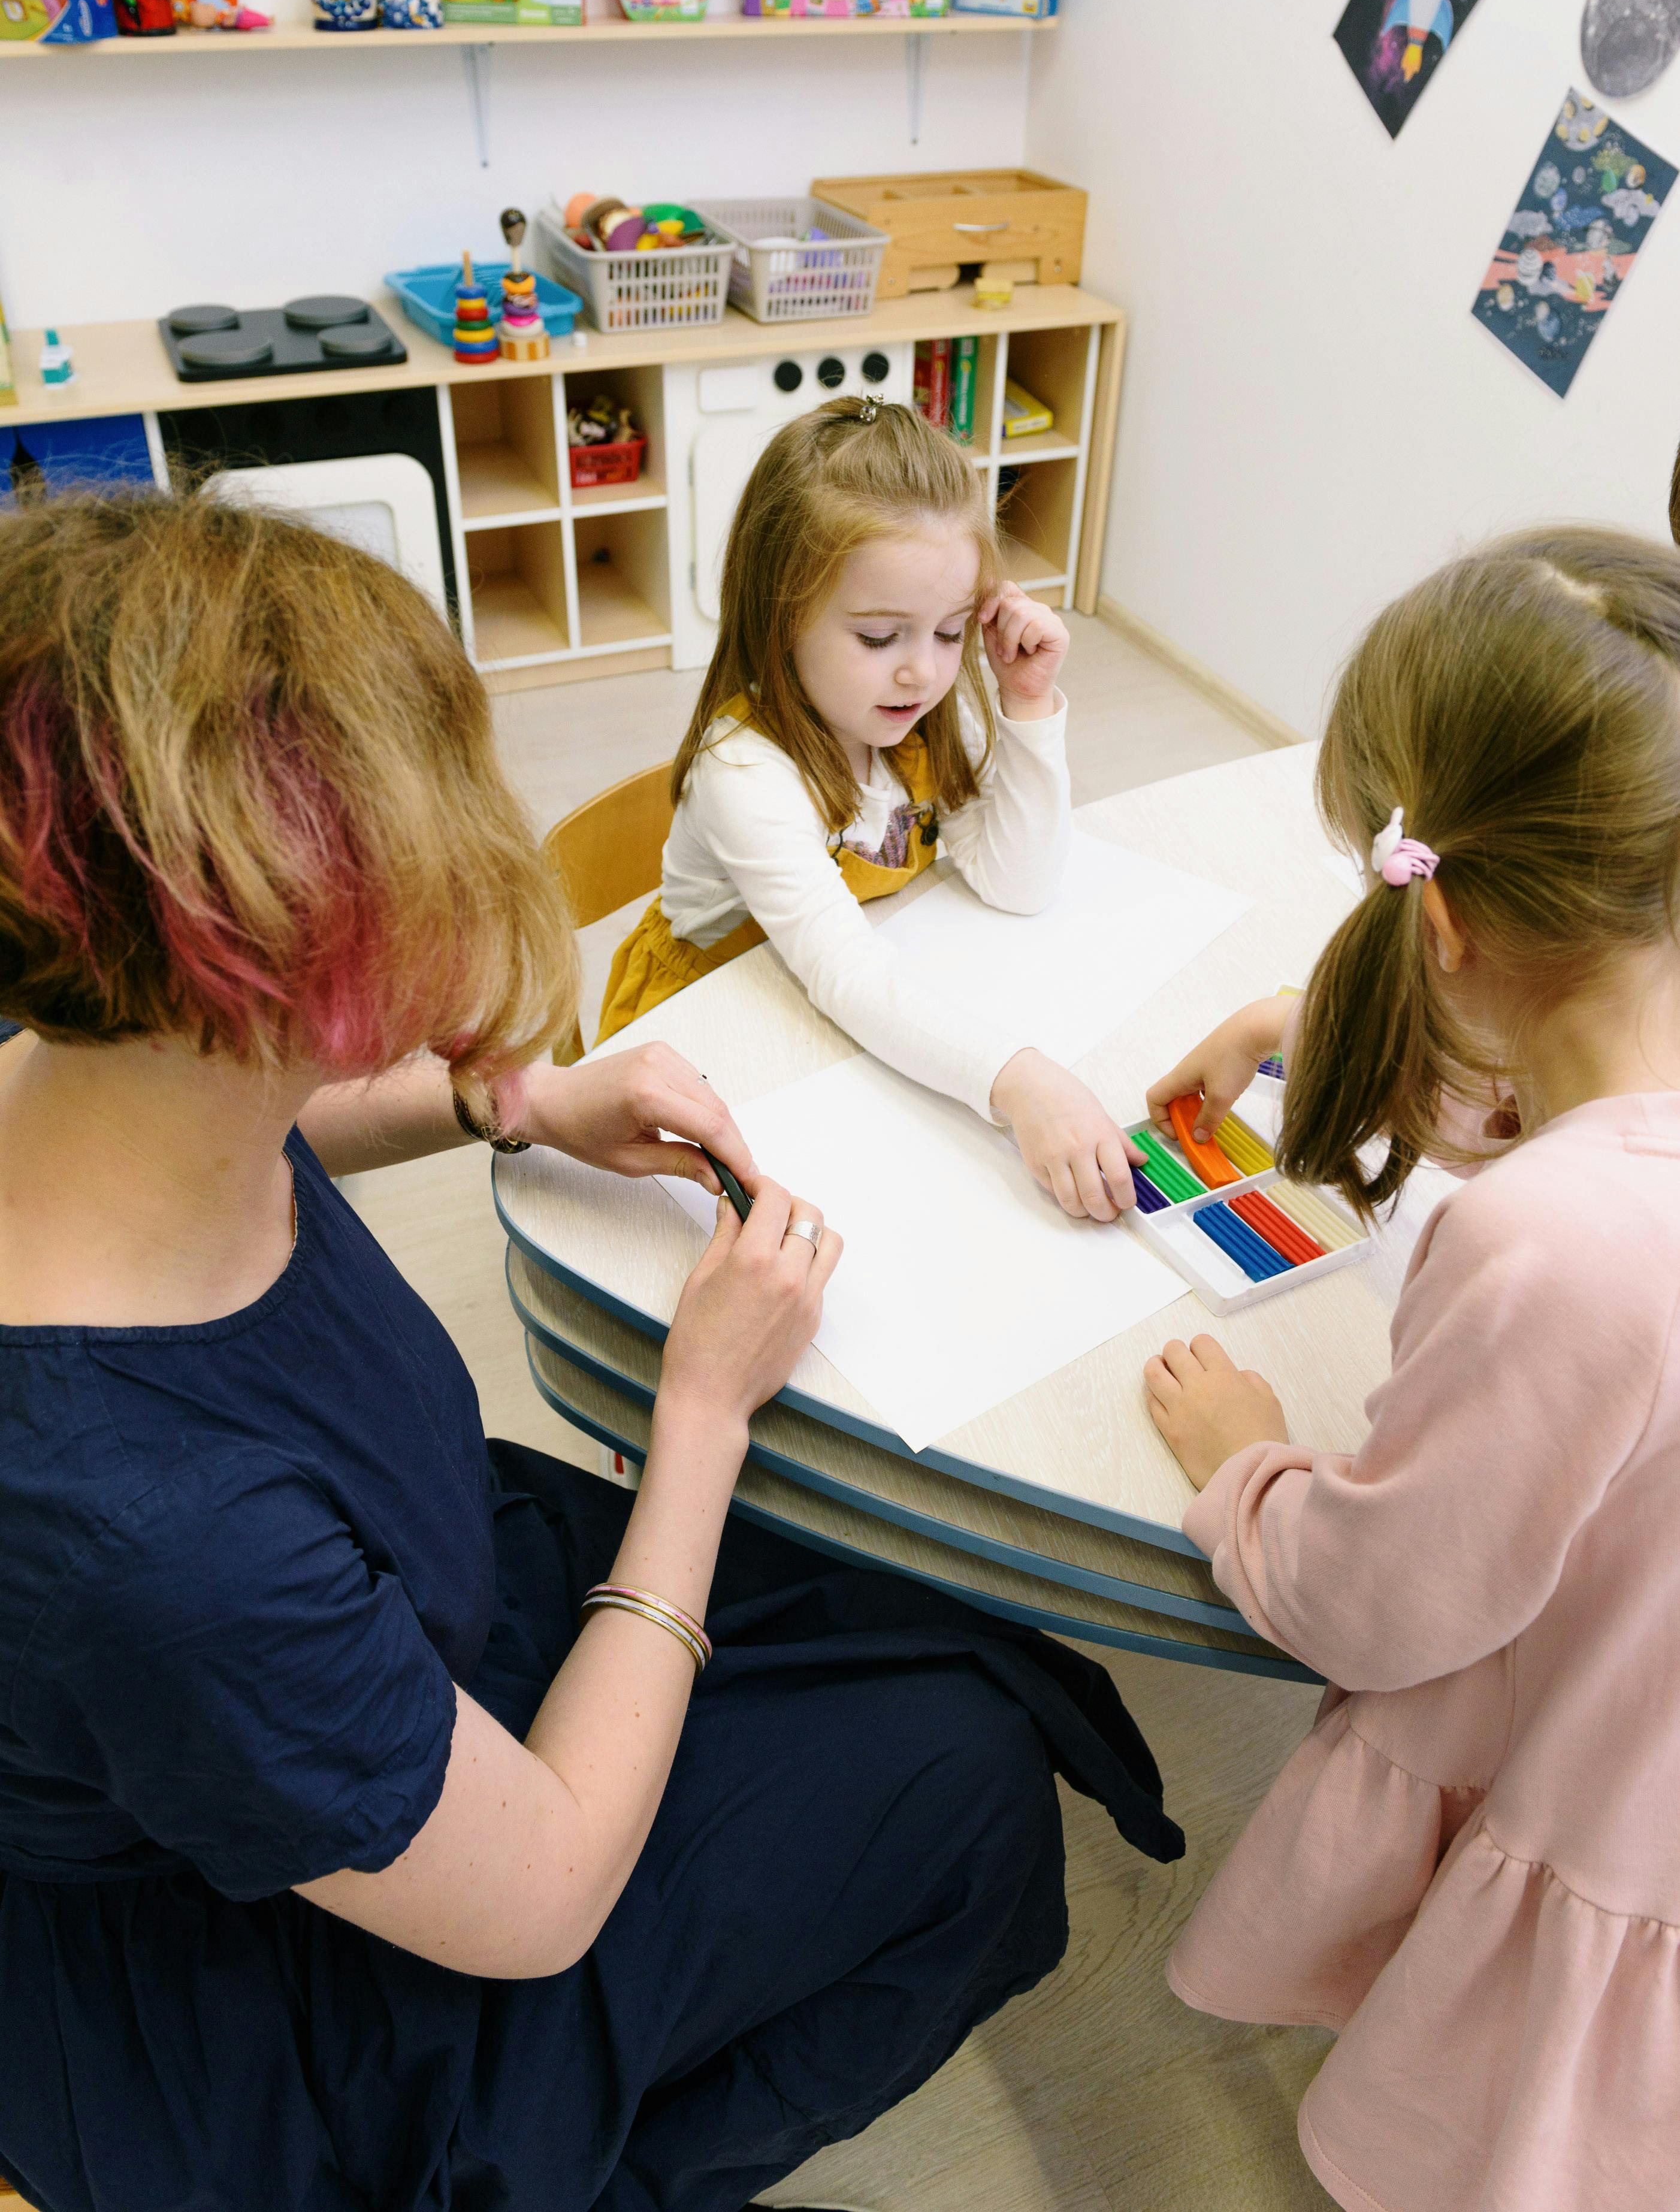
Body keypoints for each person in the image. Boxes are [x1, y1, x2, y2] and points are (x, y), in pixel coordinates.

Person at [0, 485, 1183, 2212]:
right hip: (270, 1982)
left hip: (379, 1613)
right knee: (966, 1788)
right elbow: (539, 1893)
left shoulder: (94, 1081)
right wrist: (700, 1412)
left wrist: (514, 1098)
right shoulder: (158, 1542)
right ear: (293, 969)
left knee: (913, 1600)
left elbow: (261, 1121)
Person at [1138, 526, 1680, 2212]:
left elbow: (1382, 1606)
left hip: (1606, 1817)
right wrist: (1326, 1026)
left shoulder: (1548, 1247)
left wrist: (1250, 1460)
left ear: (1428, 914)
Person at [600, 395, 1143, 1221]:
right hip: (715, 1015)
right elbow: (846, 977)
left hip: (826, 997)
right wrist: (1019, 1081)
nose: (922, 673)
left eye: (952, 631)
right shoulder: (744, 769)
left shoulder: (928, 712)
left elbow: (1019, 882)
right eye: (881, 637)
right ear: (782, 618)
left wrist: (1028, 702)